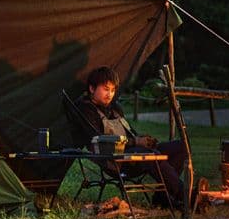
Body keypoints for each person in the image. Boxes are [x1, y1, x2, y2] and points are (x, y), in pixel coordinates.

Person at [75, 66, 188, 209]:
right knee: (150, 155)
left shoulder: (114, 108)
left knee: (180, 147)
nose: (109, 94)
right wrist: (136, 142)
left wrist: (144, 140)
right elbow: (99, 141)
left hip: (133, 152)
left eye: (112, 90)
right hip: (116, 161)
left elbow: (130, 133)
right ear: (92, 89)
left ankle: (163, 198)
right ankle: (186, 195)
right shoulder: (86, 109)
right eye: (105, 89)